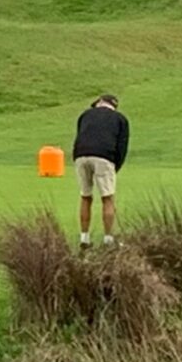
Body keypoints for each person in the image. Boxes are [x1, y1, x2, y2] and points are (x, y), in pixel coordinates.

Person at [70, 93, 130, 248]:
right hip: (104, 156)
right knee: (107, 198)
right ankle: (108, 239)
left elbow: (79, 136)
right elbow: (121, 147)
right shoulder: (120, 119)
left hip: (81, 155)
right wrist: (116, 167)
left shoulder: (85, 115)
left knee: (86, 196)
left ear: (100, 102)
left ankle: (84, 238)